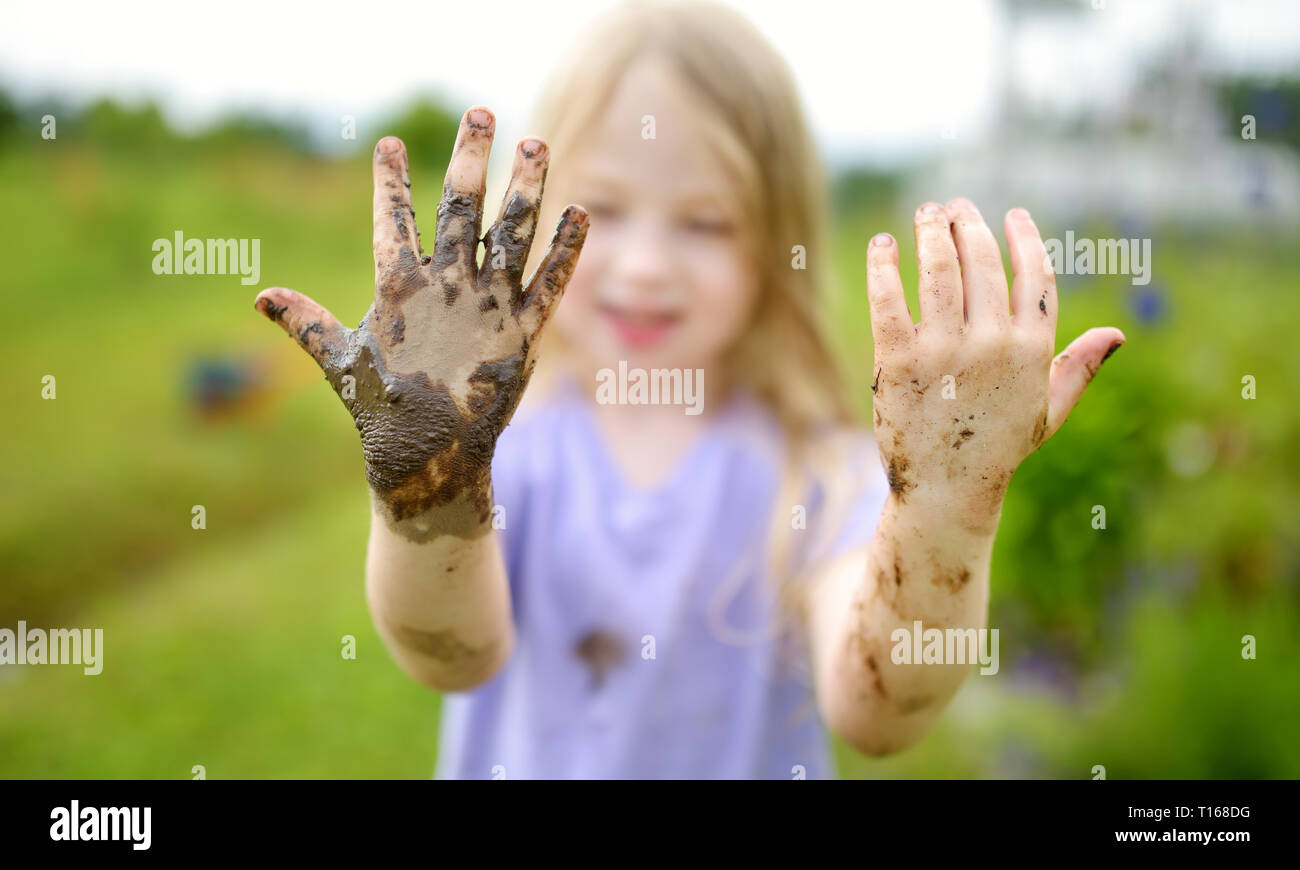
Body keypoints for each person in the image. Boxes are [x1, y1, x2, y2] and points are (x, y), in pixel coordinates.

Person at [253, 0, 1124, 779]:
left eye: (704, 222)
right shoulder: (507, 447)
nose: (645, 267)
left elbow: (879, 709)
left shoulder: (821, 474)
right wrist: (426, 480)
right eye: (603, 214)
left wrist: (944, 511)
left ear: (776, 241)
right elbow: (452, 655)